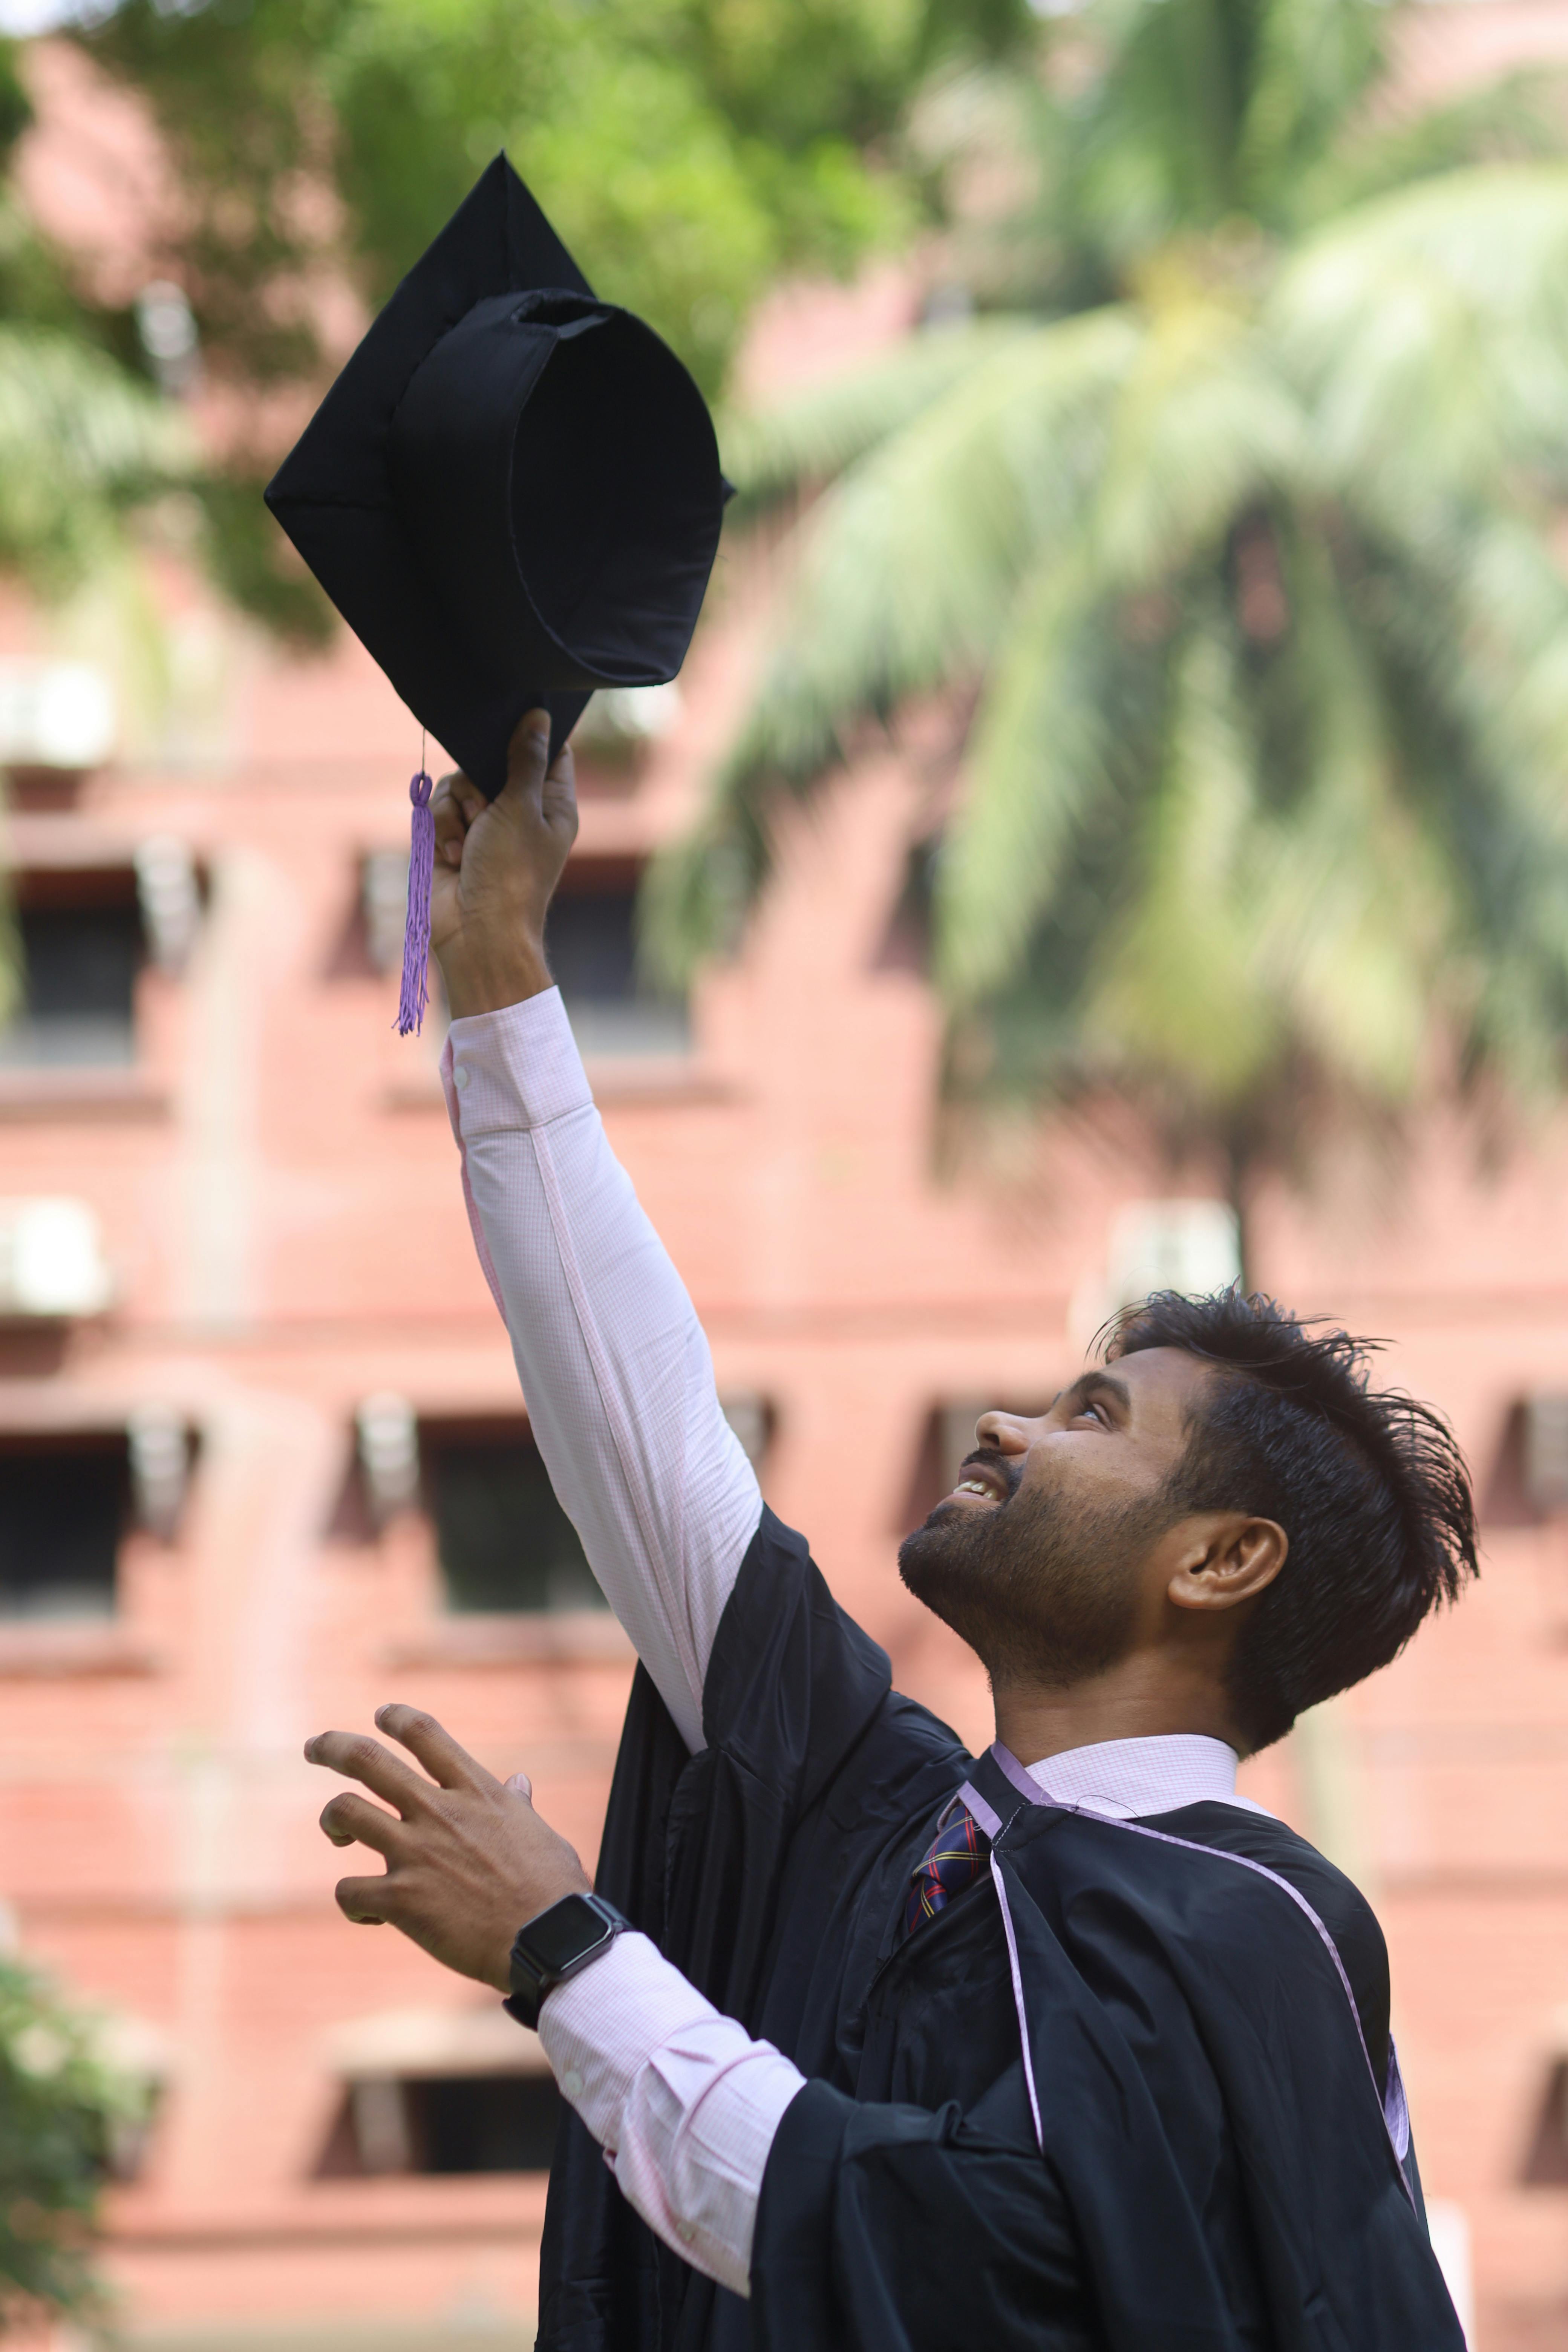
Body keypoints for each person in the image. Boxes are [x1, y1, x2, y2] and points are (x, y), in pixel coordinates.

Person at [308, 712, 1477, 2351]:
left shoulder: (1243, 1929)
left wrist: (565, 1950)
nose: (1004, 1423)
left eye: (1089, 1418)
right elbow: (649, 1444)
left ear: (1217, 1562)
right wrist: (499, 969)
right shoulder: (897, 1825)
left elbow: (960, 2260)